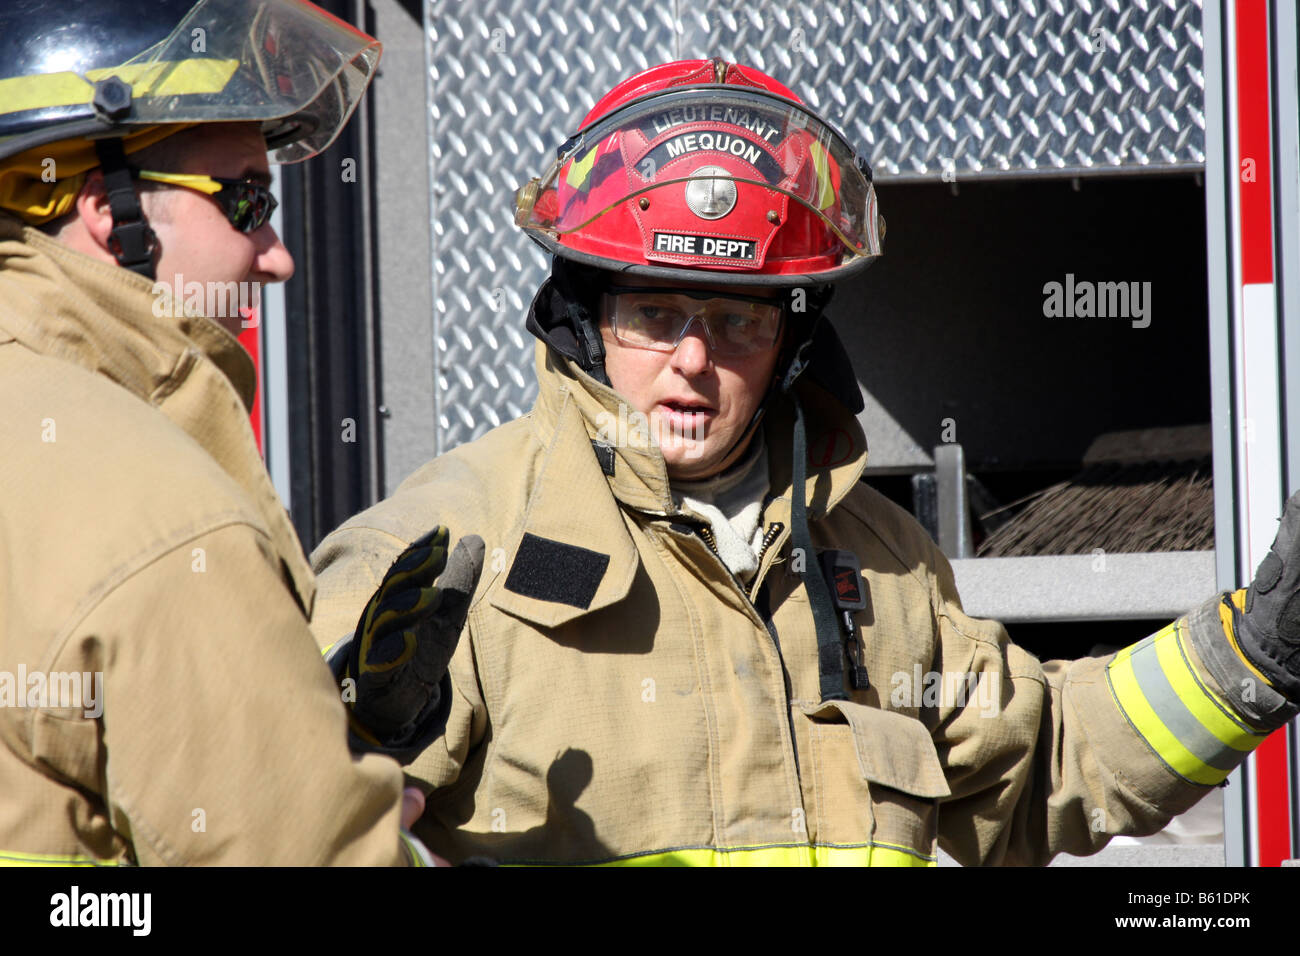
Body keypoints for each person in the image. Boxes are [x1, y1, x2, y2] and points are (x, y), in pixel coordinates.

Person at [309, 58, 1300, 866]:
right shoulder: (451, 542)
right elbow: (271, 818)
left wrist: (1256, 652)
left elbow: (1044, 763)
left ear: (790, 343)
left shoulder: (881, 558)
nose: (692, 360)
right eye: (653, 314)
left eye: (736, 318)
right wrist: (371, 741)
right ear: (584, 318)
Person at [0, 0, 480, 866]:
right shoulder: (160, 515)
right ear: (110, 214)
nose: (280, 252)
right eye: (247, 199)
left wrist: (305, 716)